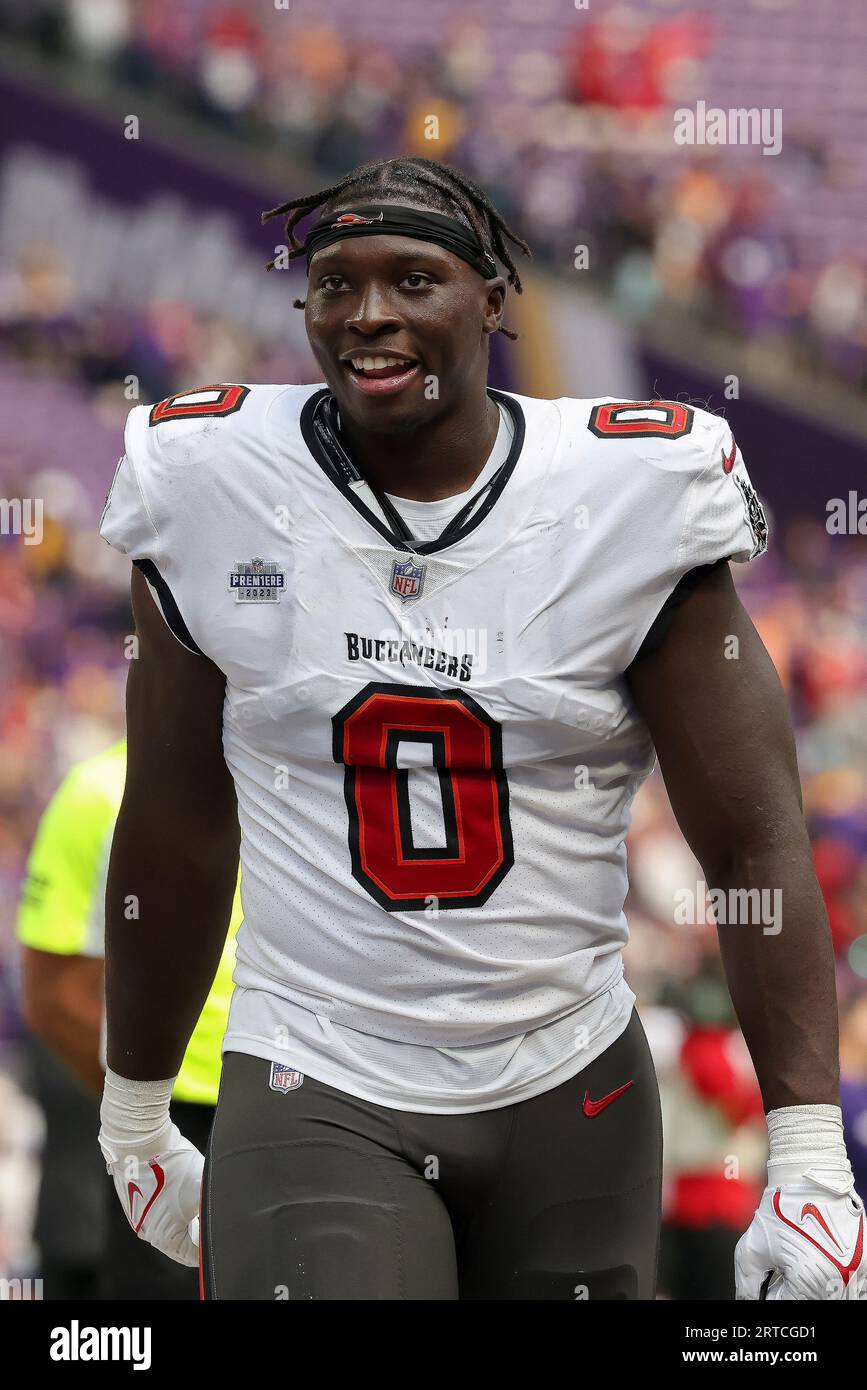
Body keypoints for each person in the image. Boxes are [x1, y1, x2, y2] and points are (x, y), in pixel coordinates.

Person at [96, 155, 864, 1300]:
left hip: (572, 1085)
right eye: (335, 283)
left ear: (495, 301)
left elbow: (752, 842)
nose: (368, 315)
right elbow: (174, 820)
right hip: (319, 1073)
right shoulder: (213, 479)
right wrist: (136, 1105)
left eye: (414, 279)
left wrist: (809, 1154)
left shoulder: (628, 493)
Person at [18, 739, 241, 1298]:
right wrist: (138, 1111)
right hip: (172, 1116)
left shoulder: (306, 774)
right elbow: (51, 994)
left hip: (305, 1100)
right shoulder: (98, 791)